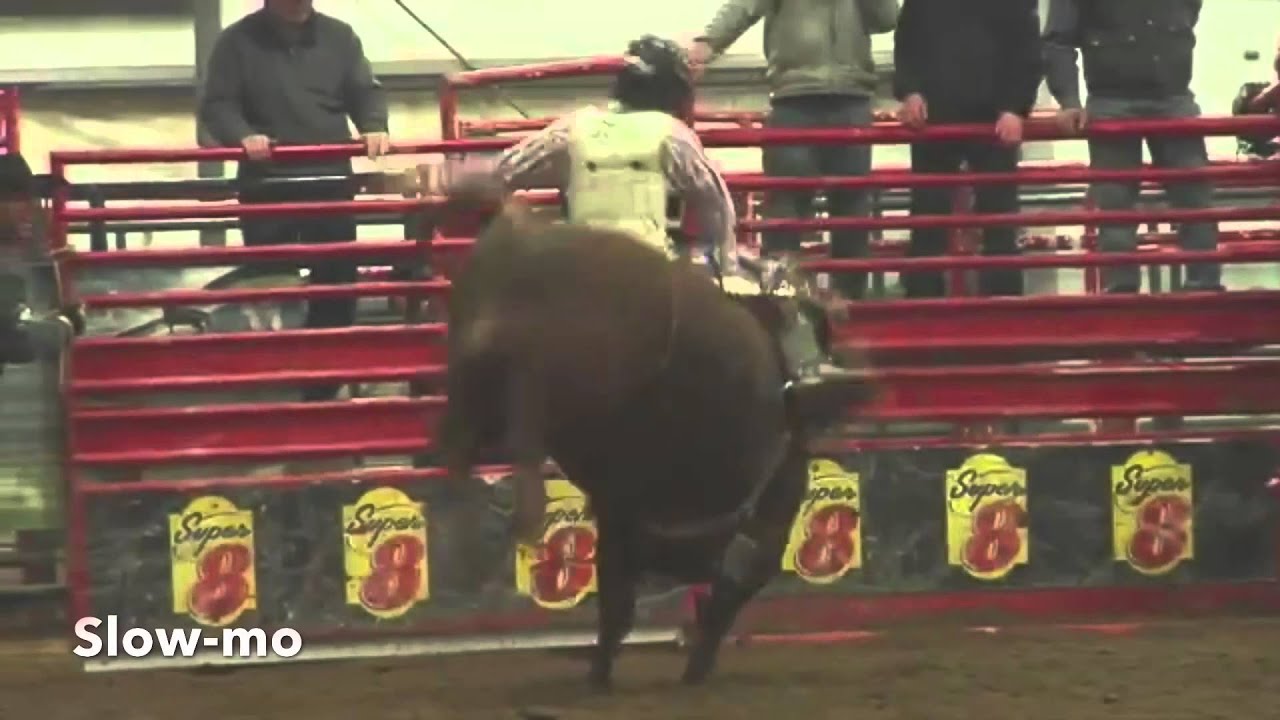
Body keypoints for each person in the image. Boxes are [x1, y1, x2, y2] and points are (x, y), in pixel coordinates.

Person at [414, 36, 855, 394]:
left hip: (578, 277)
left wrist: (446, 182)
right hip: (653, 270)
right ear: (674, 92)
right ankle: (808, 375)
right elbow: (716, 202)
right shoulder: (673, 136)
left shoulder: (572, 128)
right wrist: (724, 260)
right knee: (780, 277)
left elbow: (501, 173)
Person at [198, 0, 390, 400]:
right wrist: (242, 135)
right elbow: (218, 105)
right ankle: (277, 389)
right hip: (269, 184)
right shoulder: (235, 42)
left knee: (337, 288)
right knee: (272, 286)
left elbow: (364, 92)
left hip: (330, 180)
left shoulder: (341, 37)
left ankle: (322, 388)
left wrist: (374, 126)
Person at [686, 0, 900, 300]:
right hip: (795, 99)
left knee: (851, 208)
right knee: (787, 206)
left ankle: (847, 301)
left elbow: (887, 18)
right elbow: (745, 7)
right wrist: (706, 45)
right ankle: (785, 300)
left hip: (850, 97)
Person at [1044, 0, 1220, 293]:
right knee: (1116, 203)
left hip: (1169, 95)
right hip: (1117, 99)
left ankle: (1203, 286)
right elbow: (1057, 42)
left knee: (1194, 195)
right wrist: (1069, 101)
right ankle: (1122, 292)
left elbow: (1189, 10)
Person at [893, 0, 1041, 298]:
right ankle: (922, 309)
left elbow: (1028, 50)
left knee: (999, 221)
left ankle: (1005, 312)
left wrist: (1015, 108)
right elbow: (907, 42)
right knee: (927, 219)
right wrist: (910, 91)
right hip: (935, 119)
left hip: (993, 121)